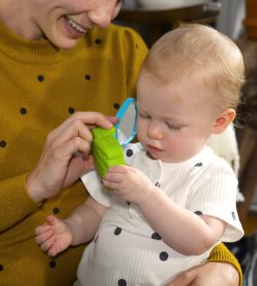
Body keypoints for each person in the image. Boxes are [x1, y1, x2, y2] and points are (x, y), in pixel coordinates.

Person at [0, 0, 242, 284]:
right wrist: (35, 185)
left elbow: (188, 188)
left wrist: (223, 269)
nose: (105, 18)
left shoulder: (126, 51)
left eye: (120, 0)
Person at [35, 24, 245, 285]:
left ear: (219, 122)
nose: (154, 132)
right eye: (145, 114)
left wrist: (147, 196)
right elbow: (95, 210)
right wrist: (71, 229)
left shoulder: (214, 175)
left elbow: (200, 239)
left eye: (172, 124)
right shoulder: (130, 155)